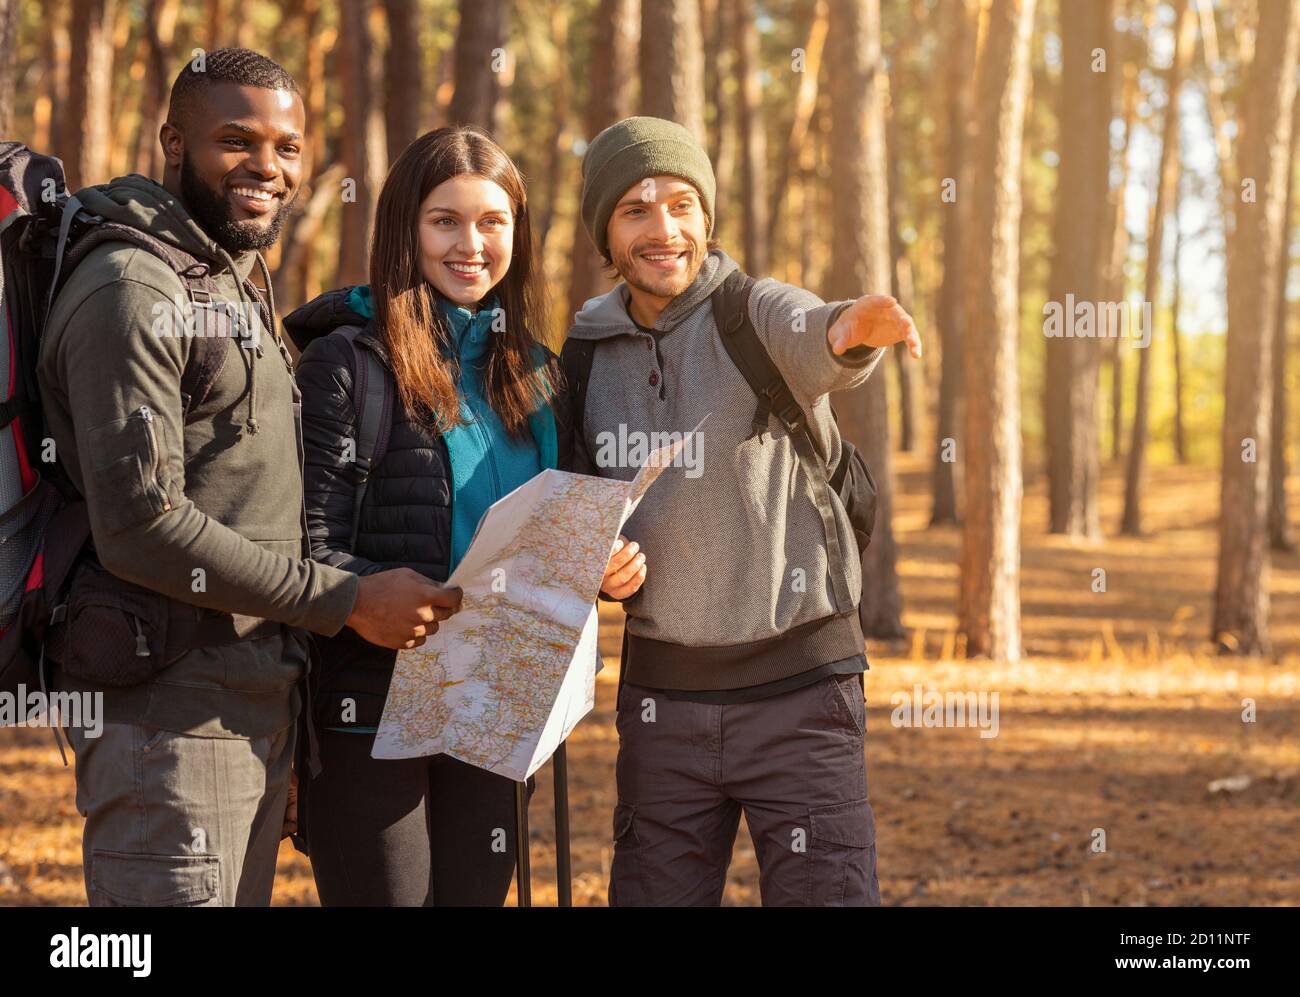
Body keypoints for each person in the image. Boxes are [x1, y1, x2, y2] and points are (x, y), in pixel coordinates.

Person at [37, 49, 460, 908]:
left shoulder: (226, 278)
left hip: (251, 705)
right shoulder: (131, 287)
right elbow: (143, 525)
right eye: (237, 140)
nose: (268, 167)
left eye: (290, 147)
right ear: (172, 140)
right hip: (169, 720)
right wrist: (346, 601)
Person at [563, 116, 923, 907]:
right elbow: (578, 510)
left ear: (706, 217)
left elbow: (813, 331)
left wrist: (853, 328)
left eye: (683, 205)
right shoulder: (584, 354)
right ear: (606, 231)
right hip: (663, 703)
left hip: (801, 694)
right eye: (636, 210)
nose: (665, 229)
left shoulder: (750, 313)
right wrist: (599, 566)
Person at [290, 125, 645, 906]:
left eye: (493, 221)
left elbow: (570, 522)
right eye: (444, 220)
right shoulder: (346, 364)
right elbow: (307, 547)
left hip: (501, 703)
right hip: (370, 710)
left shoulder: (542, 374)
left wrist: (608, 563)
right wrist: (372, 595)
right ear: (404, 229)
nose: (471, 244)